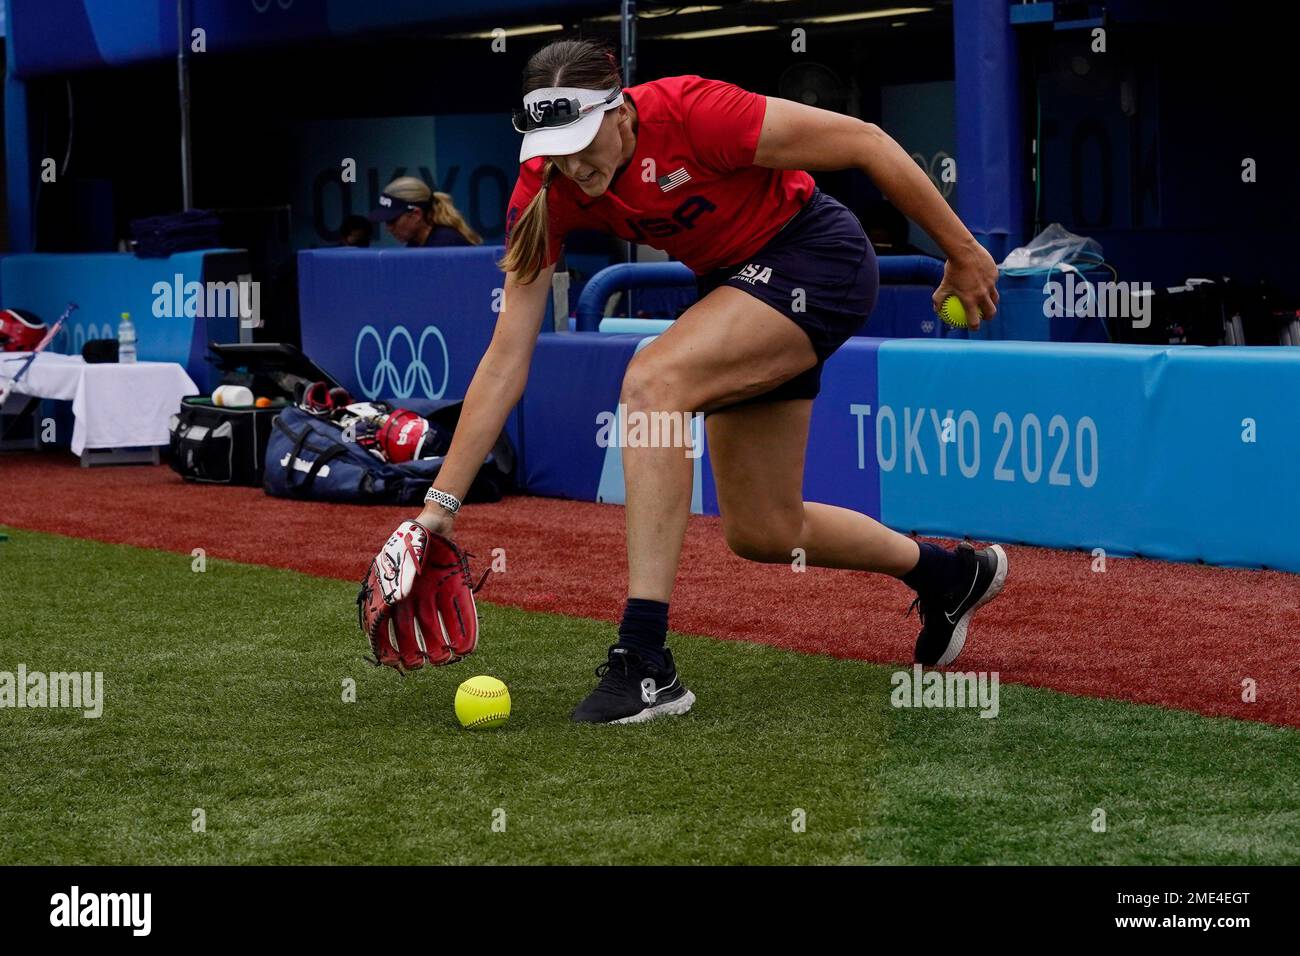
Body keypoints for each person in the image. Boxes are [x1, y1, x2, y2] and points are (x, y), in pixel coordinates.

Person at [373, 39, 1006, 725]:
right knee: (765, 529)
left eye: (585, 141)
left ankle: (645, 660)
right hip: (736, 286)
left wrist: (964, 252)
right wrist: (437, 507)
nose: (575, 166)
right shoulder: (545, 189)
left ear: (621, 112)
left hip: (817, 257)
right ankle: (948, 575)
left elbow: (867, 141)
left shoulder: (694, 112)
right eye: (555, 148)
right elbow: (505, 356)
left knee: (653, 379)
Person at [368, 177, 482, 248]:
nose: (388, 229)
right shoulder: (415, 245)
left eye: (392, 221)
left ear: (416, 214)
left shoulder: (447, 243)